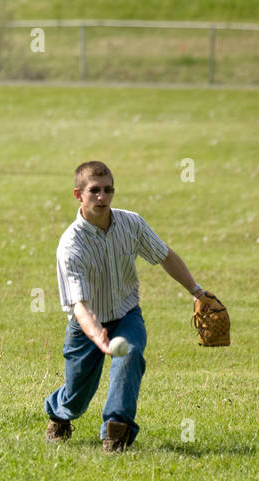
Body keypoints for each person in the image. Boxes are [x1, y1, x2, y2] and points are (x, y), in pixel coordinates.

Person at [44, 161, 213, 452]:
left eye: (108, 190)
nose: (102, 197)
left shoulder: (131, 223)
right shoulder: (71, 245)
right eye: (94, 191)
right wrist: (98, 336)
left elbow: (164, 255)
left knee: (130, 355)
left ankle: (117, 430)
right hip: (86, 327)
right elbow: (79, 306)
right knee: (77, 395)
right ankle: (59, 415)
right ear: (78, 195)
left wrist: (196, 291)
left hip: (126, 315)